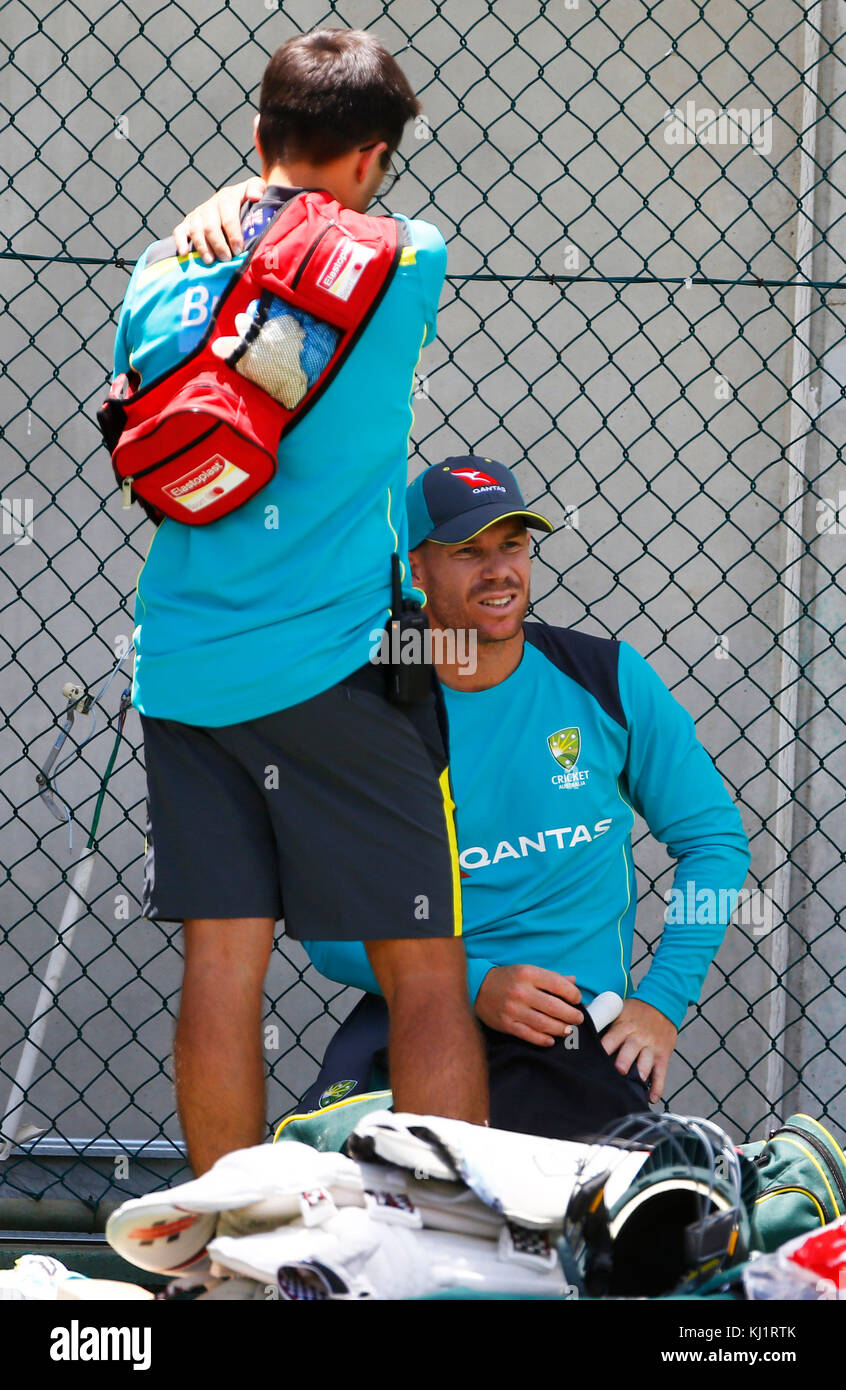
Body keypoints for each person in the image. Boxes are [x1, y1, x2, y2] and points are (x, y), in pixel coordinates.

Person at [108, 30, 489, 1174]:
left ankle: (230, 1265)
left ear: (258, 133)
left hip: (184, 665)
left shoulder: (163, 269)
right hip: (342, 667)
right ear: (372, 156)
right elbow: (342, 231)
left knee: (224, 965)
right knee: (423, 962)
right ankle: (444, 1263)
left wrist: (237, 198)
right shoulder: (406, 258)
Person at [299, 457, 751, 1139]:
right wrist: (474, 983)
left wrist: (662, 1001)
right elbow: (326, 929)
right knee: (328, 1181)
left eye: (512, 545)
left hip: (568, 1031)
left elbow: (714, 842)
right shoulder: (367, 708)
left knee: (566, 1208)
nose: (499, 570)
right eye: (467, 552)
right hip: (417, 1005)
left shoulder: (606, 678)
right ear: (414, 571)